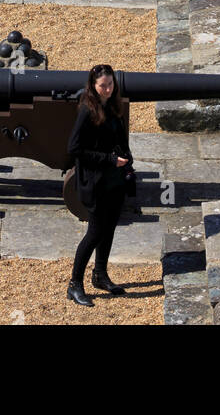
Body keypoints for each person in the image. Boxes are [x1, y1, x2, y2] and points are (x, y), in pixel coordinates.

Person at [66, 64, 134, 307]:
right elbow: (74, 148)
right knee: (95, 232)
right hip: (96, 180)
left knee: (110, 227)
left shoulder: (114, 105)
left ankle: (100, 274)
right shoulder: (87, 110)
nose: (107, 89)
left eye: (110, 84)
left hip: (115, 179)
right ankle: (74, 284)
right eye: (103, 86)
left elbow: (120, 137)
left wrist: (126, 157)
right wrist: (108, 159)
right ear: (93, 86)